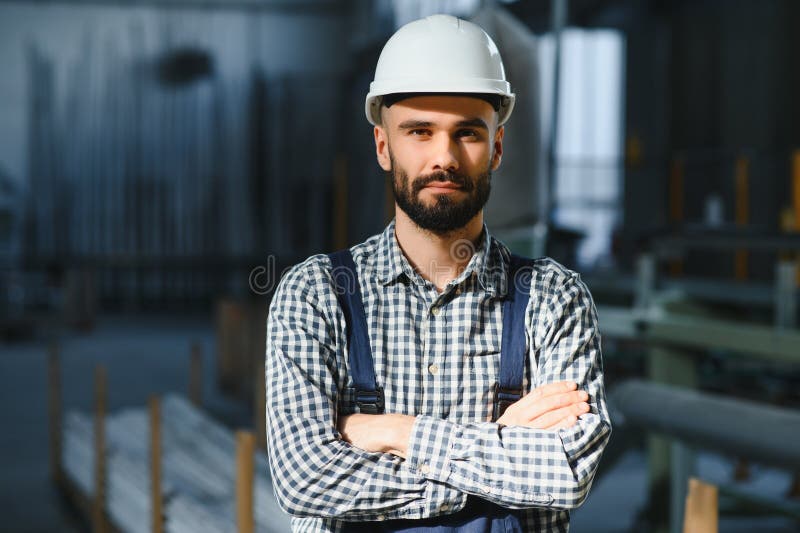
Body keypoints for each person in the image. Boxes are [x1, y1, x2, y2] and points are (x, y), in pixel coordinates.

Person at [265, 14, 611, 533]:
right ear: (384, 146)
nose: (443, 157)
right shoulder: (314, 295)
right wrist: (499, 443)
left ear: (496, 148)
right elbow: (305, 479)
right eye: (419, 132)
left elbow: (565, 472)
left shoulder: (553, 297)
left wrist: (394, 433)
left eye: (467, 133)